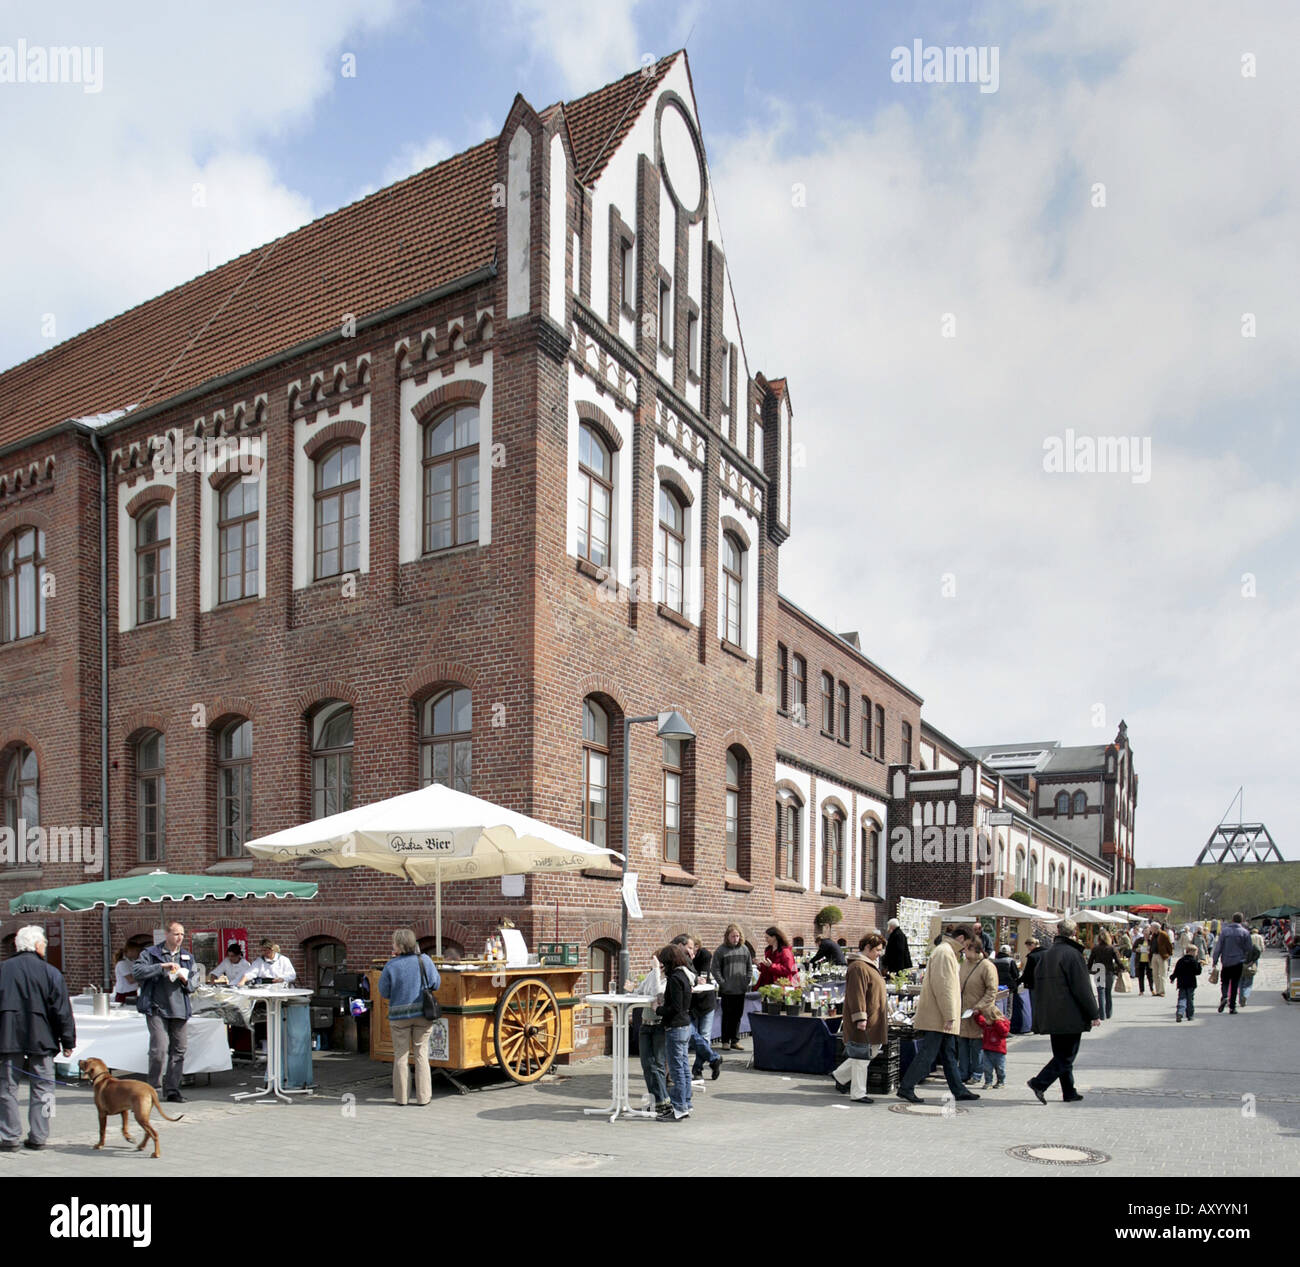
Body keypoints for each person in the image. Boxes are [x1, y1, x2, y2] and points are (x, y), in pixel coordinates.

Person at [0, 925, 76, 1151]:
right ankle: (40, 1135)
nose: (45, 946)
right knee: (45, 1088)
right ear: (36, 945)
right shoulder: (51, 972)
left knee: (7, 1088)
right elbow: (62, 1011)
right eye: (43, 943)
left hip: (8, 1038)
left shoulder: (3, 969)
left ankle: (9, 1136)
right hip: (42, 1039)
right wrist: (68, 1041)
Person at [895, 926, 977, 1105]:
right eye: (967, 943)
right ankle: (906, 1087)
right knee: (929, 1054)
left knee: (948, 1054)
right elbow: (944, 987)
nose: (966, 948)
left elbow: (945, 987)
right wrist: (949, 1015)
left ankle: (959, 1090)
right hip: (939, 1016)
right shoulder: (945, 953)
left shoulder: (946, 951)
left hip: (940, 1014)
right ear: (961, 938)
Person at [1026, 919, 1099, 1104]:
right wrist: (1094, 1013)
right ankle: (1039, 1082)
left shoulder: (1046, 954)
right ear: (1074, 933)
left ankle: (1069, 1091)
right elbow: (1082, 987)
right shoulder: (1073, 955)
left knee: (1061, 1054)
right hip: (1069, 1013)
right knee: (1066, 1057)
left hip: (1051, 1012)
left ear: (1058, 931)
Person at [132, 919, 198, 1104]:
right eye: (176, 934)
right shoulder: (151, 953)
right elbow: (137, 971)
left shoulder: (187, 956)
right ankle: (153, 1089)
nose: (180, 938)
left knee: (179, 1050)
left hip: (180, 1009)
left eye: (182, 934)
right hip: (156, 1008)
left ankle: (173, 1090)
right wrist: (161, 967)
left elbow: (194, 983)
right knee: (158, 1050)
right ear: (167, 934)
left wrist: (185, 980)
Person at [377, 928, 440, 1106]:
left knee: (401, 1056)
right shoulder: (425, 960)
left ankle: (401, 1098)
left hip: (399, 1016)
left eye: (394, 943)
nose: (392, 945)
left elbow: (383, 991)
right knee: (421, 1054)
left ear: (399, 946)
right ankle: (423, 1097)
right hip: (423, 1014)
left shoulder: (391, 965)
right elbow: (436, 983)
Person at [832, 932, 887, 1103]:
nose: (879, 953)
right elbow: (857, 994)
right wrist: (860, 1017)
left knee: (868, 1052)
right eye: (877, 950)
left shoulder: (866, 965)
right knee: (861, 1057)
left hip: (873, 1017)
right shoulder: (859, 967)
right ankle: (858, 1093)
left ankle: (840, 1076)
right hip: (866, 1019)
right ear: (868, 948)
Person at [656, 943, 695, 1121]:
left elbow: (675, 1008)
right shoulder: (685, 975)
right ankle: (686, 1103)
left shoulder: (674, 978)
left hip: (676, 1027)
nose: (662, 966)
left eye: (663, 962)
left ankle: (679, 1107)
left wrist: (658, 1009)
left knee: (677, 1069)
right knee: (684, 1067)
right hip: (685, 1025)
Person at [631, 954, 669, 1116]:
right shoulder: (651, 976)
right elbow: (640, 991)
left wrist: (655, 971)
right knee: (647, 1064)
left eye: (659, 963)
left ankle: (662, 1102)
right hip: (646, 1023)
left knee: (657, 1064)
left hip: (659, 1025)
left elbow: (657, 995)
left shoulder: (669, 980)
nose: (656, 965)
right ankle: (659, 1101)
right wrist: (632, 989)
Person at [958, 939, 998, 1084]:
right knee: (962, 1044)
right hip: (964, 1011)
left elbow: (992, 990)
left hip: (978, 1014)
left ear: (975, 950)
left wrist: (979, 1006)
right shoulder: (964, 964)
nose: (963, 951)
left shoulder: (987, 966)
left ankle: (977, 1073)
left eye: (966, 949)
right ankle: (963, 1072)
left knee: (976, 1045)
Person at [711, 925, 753, 1051]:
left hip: (740, 989)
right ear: (727, 937)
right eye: (733, 936)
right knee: (727, 1016)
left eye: (737, 936)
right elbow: (715, 969)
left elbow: (749, 968)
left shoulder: (745, 949)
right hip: (727, 990)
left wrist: (746, 981)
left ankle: (735, 1040)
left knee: (737, 1015)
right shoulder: (721, 950)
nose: (735, 938)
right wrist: (723, 983)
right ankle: (725, 1041)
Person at [688, 946, 723, 1081]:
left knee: (705, 1036)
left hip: (706, 1002)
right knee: (691, 1034)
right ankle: (714, 1058)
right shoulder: (682, 958)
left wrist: (697, 979)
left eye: (694, 948)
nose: (692, 951)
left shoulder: (704, 955)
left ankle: (698, 1070)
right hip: (690, 1004)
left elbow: (704, 975)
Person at [1212, 913, 1254, 1014]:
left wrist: (1215, 960)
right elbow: (1249, 948)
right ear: (1242, 920)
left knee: (1224, 981)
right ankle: (1232, 1007)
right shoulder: (1245, 932)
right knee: (1235, 984)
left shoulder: (1225, 931)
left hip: (1226, 961)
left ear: (1232, 919)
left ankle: (1225, 996)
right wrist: (1248, 959)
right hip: (1238, 962)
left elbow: (1218, 947)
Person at [974, 1002, 1010, 1089]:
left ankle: (1000, 1081)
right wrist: (977, 1014)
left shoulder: (1001, 1023)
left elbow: (1004, 1033)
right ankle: (988, 1082)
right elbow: (980, 1021)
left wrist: (997, 1023)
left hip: (999, 1051)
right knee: (987, 1068)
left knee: (1000, 1068)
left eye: (987, 1018)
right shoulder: (986, 1024)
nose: (985, 1020)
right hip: (987, 1050)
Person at [1088, 931, 1120, 1021]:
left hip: (1099, 972)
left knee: (1100, 993)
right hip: (1109, 972)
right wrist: (1122, 968)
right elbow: (1118, 961)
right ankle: (1108, 1013)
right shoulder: (1112, 948)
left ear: (1098, 939)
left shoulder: (1095, 949)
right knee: (1108, 992)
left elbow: (1090, 961)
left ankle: (1102, 1015)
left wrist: (1088, 969)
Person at [1171, 946, 1201, 1021]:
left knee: (1182, 998)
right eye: (1196, 952)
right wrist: (1199, 965)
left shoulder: (1180, 961)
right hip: (1191, 983)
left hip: (1181, 983)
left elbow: (1176, 971)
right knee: (1190, 1000)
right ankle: (1190, 1015)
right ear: (1192, 952)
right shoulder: (1194, 961)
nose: (1196, 954)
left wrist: (1172, 978)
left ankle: (1180, 1012)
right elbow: (1197, 972)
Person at [1240, 924, 1266, 1007]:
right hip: (1250, 964)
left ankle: (1241, 999)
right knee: (1248, 983)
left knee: (1241, 983)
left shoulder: (1240, 946)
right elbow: (1258, 951)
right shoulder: (1254, 946)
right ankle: (1245, 995)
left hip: (1241, 965)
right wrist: (1253, 961)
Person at [1150, 923, 1173, 998]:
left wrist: (1169, 954)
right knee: (1155, 974)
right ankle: (1157, 991)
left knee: (1162, 974)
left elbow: (1169, 944)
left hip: (1161, 955)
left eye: (1151, 927)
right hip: (1154, 955)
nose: (1150, 929)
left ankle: (1162, 991)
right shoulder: (1153, 935)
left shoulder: (1163, 934)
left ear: (1156, 928)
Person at [1132, 931, 1153, 995]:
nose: (1146, 935)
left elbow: (1155, 948)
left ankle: (1152, 989)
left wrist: (1150, 950)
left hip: (1149, 960)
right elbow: (1133, 948)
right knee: (1141, 976)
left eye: (1147, 934)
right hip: (1140, 960)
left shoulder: (1151, 941)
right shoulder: (1139, 940)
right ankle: (1141, 990)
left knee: (1150, 976)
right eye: (1145, 933)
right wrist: (1136, 950)